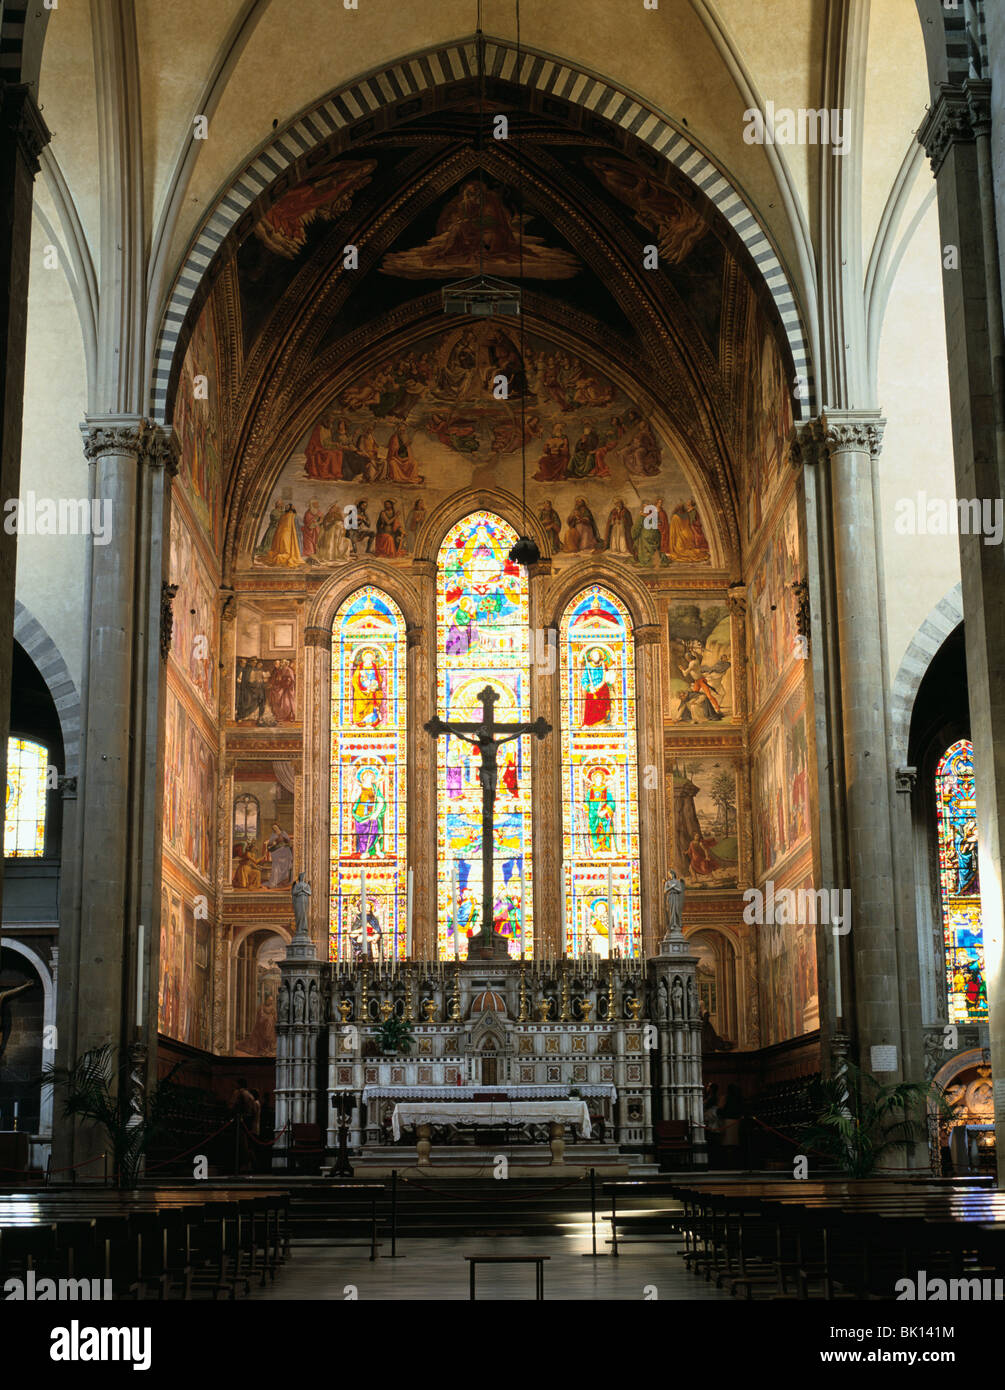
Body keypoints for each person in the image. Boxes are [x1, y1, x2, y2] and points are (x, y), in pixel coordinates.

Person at [228, 1077, 259, 1174]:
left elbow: (232, 1106)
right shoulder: (250, 1095)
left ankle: (243, 1166)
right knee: (248, 1145)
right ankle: (250, 1166)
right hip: (249, 1122)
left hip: (242, 1122)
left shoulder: (240, 1093)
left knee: (242, 1145)